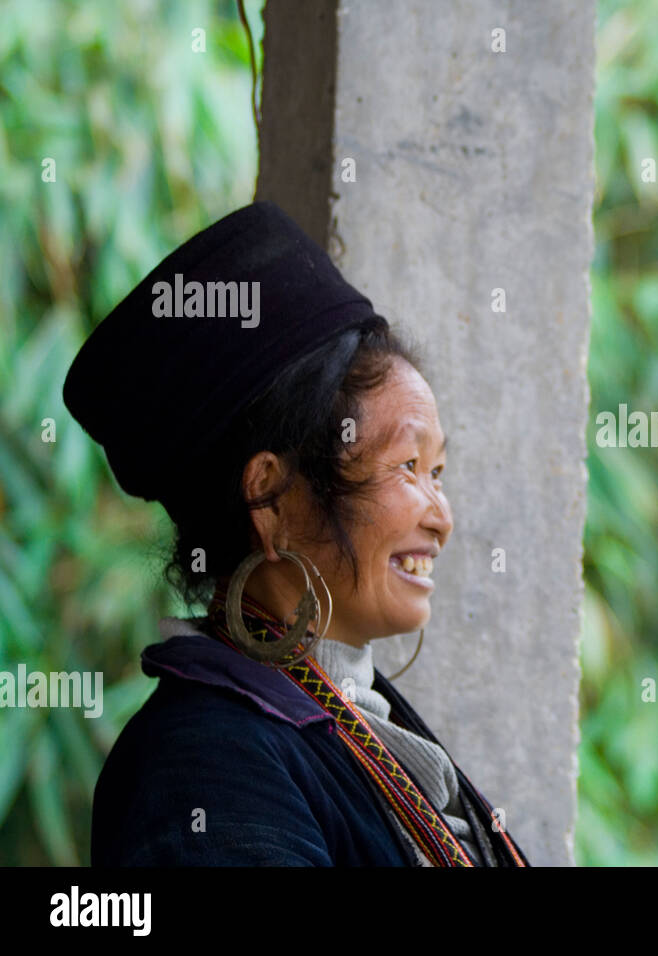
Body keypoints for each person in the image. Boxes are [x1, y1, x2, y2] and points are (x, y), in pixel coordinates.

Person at [66, 201, 529, 866]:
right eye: (406, 466)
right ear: (271, 496)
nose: (441, 516)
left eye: (439, 471)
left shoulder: (359, 723)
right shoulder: (206, 762)